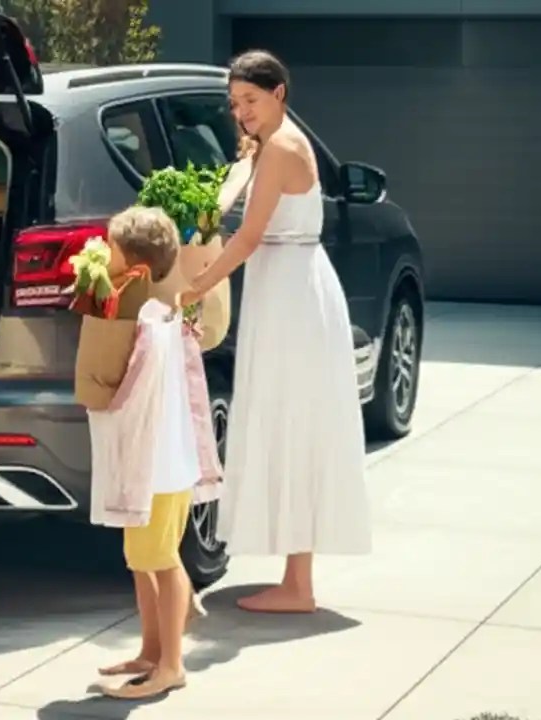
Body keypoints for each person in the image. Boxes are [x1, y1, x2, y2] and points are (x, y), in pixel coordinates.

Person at [178, 49, 372, 614]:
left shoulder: (283, 146)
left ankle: (298, 584)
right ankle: (296, 578)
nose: (241, 112)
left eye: (252, 101)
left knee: (290, 421)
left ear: (279, 93)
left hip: (290, 292)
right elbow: (233, 199)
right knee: (291, 422)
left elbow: (248, 237)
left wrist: (196, 284)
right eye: (236, 103)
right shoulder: (270, 142)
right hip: (288, 286)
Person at [85, 207, 223, 700]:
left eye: (111, 247)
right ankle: (150, 651)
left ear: (136, 266)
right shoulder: (157, 312)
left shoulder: (143, 318)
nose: (103, 252)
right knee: (142, 560)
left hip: (161, 467)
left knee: (163, 562)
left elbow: (129, 385)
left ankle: (171, 664)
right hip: (161, 464)